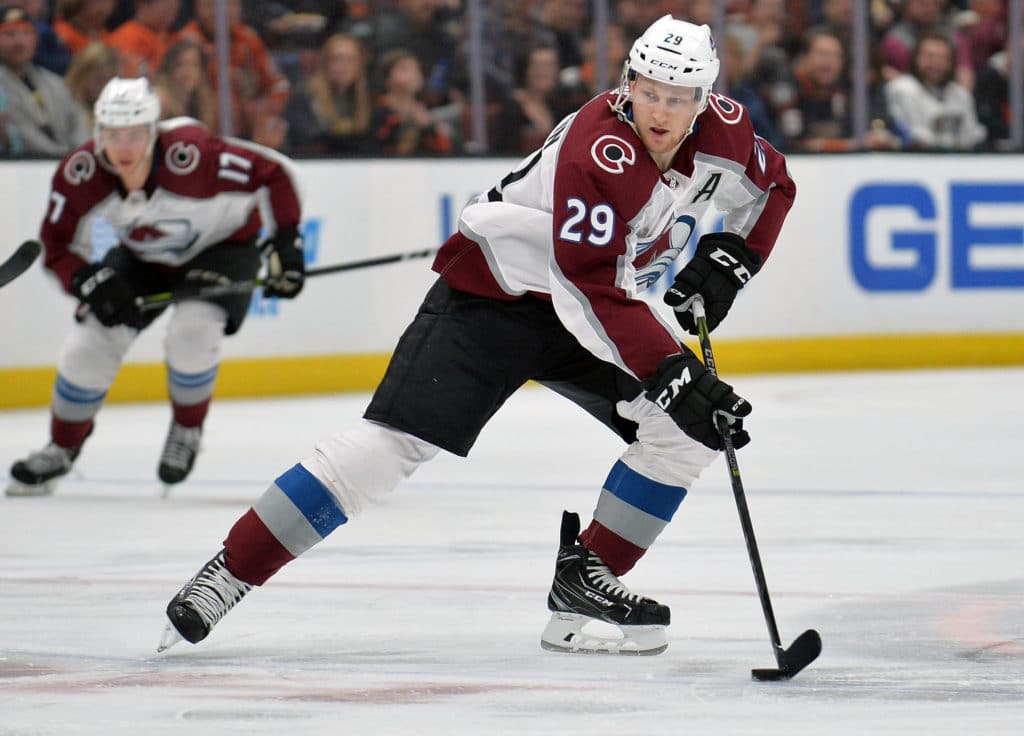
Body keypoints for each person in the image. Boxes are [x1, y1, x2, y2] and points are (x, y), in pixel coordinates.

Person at [158, 15, 795, 657]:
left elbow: (773, 186)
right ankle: (231, 572)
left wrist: (734, 258)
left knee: (687, 431)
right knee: (389, 446)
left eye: (678, 98)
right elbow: (588, 287)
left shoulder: (726, 134)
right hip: (498, 297)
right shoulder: (599, 149)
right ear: (628, 81)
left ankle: (585, 579)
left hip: (598, 311)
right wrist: (671, 372)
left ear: (704, 99)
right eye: (648, 90)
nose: (659, 109)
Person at [5, 77, 305, 498]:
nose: (123, 148)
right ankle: (61, 446)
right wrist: (88, 280)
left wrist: (287, 244)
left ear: (153, 132)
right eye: (112, 135)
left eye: (134, 135)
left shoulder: (193, 156)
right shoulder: (82, 174)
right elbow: (58, 245)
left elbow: (273, 173)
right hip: (143, 257)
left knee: (193, 332)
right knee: (90, 340)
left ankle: (187, 428)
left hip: (223, 249)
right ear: (98, 133)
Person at [0, 4, 89, 156]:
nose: (19, 42)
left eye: (26, 33)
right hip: (27, 163)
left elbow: (78, 119)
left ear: (36, 38)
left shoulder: (55, 82)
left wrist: (80, 154)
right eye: (9, 34)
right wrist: (61, 156)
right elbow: (22, 132)